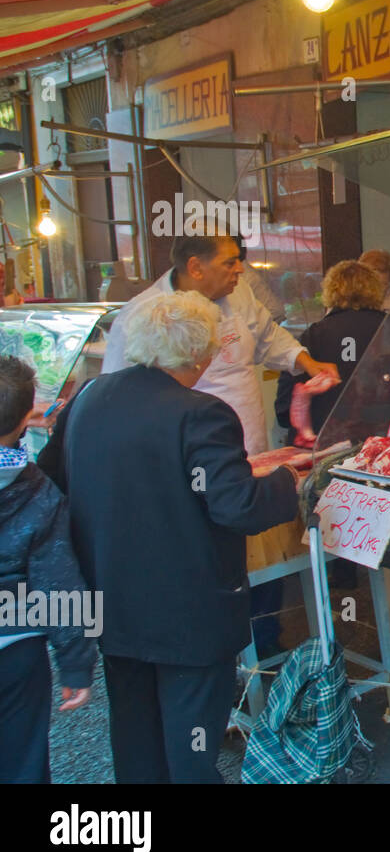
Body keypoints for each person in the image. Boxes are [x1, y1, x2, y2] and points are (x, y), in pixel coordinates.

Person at [43, 291, 300, 783]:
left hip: (111, 606)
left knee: (135, 737)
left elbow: (52, 482)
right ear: (202, 352)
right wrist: (290, 482)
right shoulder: (201, 412)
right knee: (191, 744)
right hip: (187, 612)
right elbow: (237, 506)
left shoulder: (89, 397)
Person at [102, 230, 338, 454]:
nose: (239, 270)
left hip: (248, 436)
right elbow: (117, 393)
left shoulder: (239, 293)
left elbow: (268, 335)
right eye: (230, 262)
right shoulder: (141, 315)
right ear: (195, 267)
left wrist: (306, 362)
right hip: (190, 442)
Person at [0, 356, 95, 783]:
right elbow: (58, 584)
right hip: (15, 645)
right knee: (22, 760)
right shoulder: (37, 491)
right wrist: (76, 663)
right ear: (25, 420)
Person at [275, 259, 390, 446]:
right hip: (382, 440)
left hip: (325, 443)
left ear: (330, 291)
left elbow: (284, 406)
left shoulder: (313, 334)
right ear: (375, 290)